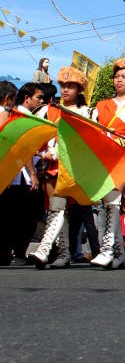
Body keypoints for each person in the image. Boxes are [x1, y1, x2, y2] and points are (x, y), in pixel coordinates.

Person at [28, 67, 91, 269]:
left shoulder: (85, 112)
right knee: (57, 210)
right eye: (63, 86)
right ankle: (63, 254)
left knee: (59, 208)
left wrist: (57, 152)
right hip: (51, 168)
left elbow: (82, 142)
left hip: (71, 168)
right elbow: (37, 133)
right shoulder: (48, 109)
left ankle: (45, 249)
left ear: (79, 89)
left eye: (70, 86)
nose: (65, 90)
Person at [89, 59, 125, 269]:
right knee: (108, 201)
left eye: (124, 77)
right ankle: (118, 253)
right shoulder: (102, 105)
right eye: (116, 76)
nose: (119, 80)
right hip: (105, 156)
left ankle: (107, 249)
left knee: (112, 195)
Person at [0, 82, 43, 265]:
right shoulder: (9, 115)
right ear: (8, 99)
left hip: (10, 175)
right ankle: (16, 252)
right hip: (14, 176)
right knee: (21, 215)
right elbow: (18, 146)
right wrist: (32, 173)